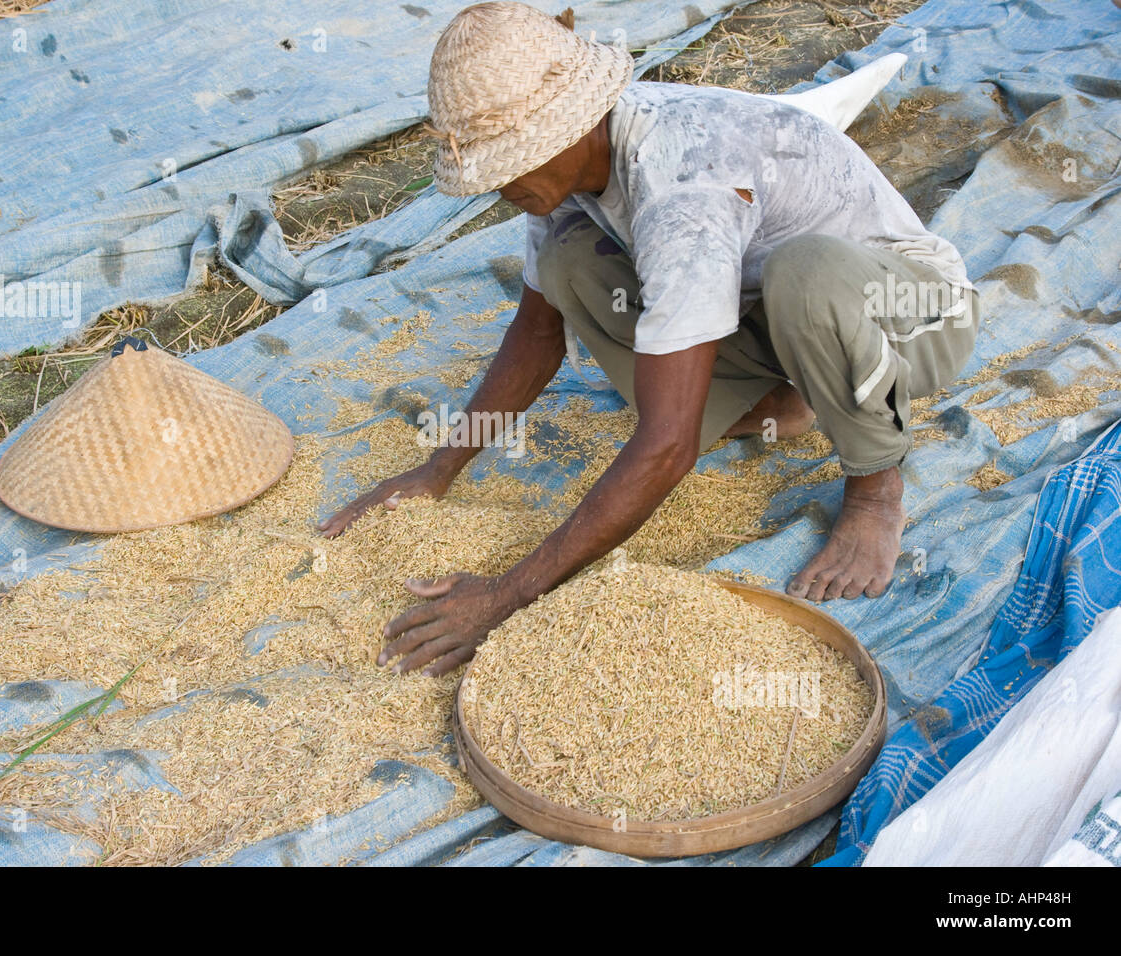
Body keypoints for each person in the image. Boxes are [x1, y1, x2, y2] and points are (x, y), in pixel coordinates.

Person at [319, 2, 978, 676]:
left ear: (567, 128)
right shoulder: (572, 172)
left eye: (506, 164)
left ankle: (875, 489)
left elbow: (667, 448)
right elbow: (538, 331)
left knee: (801, 274)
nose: (496, 185)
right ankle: (785, 398)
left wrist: (507, 595)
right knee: (575, 258)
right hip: (779, 321)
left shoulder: (682, 185)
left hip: (910, 320)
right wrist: (437, 471)